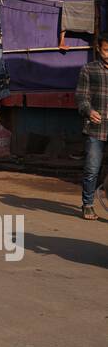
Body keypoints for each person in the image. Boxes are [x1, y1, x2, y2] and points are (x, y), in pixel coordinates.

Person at [75, 34, 108, 218]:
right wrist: (89, 111)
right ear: (98, 49)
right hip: (96, 127)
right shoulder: (89, 70)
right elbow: (81, 97)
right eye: (106, 50)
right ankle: (87, 204)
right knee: (92, 168)